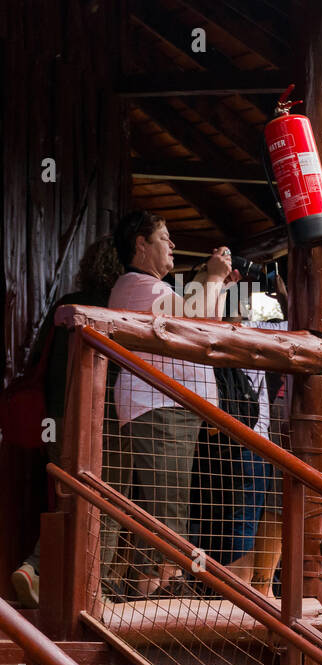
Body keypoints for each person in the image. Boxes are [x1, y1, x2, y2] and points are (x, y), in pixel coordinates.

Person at [105, 210, 238, 598]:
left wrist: (216, 282)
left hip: (166, 407)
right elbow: (201, 326)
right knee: (168, 502)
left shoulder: (150, 289)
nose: (174, 245)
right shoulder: (136, 285)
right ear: (140, 245)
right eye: (165, 238)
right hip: (159, 406)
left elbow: (199, 316)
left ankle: (150, 590)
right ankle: (164, 589)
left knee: (162, 499)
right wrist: (212, 277)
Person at [9, 235, 122, 607]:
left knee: (67, 499)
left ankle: (34, 570)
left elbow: (40, 358)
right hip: (96, 419)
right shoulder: (114, 306)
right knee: (104, 501)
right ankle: (92, 592)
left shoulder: (65, 303)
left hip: (55, 417)